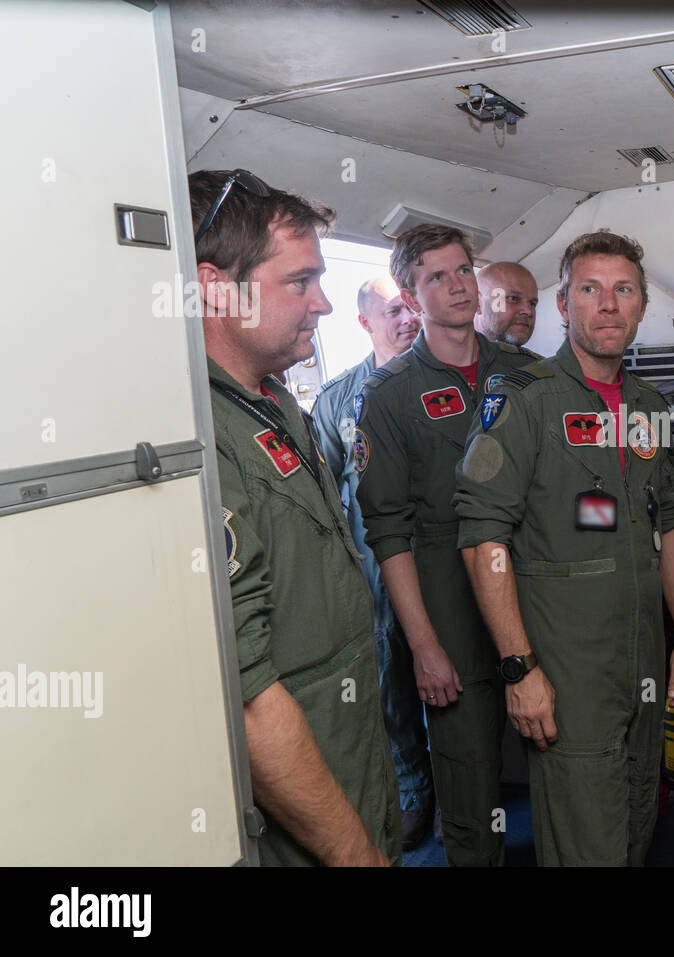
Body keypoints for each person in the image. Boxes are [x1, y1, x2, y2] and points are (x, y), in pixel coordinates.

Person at [455, 230, 674, 866]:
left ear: (642, 306)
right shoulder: (524, 401)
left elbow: (670, 522)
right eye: (590, 290)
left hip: (644, 659)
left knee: (636, 820)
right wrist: (518, 667)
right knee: (583, 844)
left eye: (624, 291)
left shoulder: (649, 407)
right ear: (564, 306)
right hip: (567, 674)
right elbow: (483, 534)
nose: (609, 305)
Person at [190, 168, 400, 866]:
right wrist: (353, 853)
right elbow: (245, 693)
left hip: (352, 764)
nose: (326, 304)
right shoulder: (199, 434)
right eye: (300, 282)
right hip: (304, 827)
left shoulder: (278, 405)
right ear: (217, 285)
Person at [353, 225, 537, 866]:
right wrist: (424, 648)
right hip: (447, 610)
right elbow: (388, 534)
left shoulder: (526, 376)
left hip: (531, 589)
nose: (457, 286)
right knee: (469, 782)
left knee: (563, 761)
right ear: (410, 293)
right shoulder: (390, 396)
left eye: (463, 271)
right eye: (437, 276)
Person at [313, 276, 435, 850]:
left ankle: (467, 795)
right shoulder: (339, 399)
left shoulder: (447, 383)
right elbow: (322, 495)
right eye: (394, 310)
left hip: (444, 564)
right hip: (378, 574)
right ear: (365, 322)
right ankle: (412, 790)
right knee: (391, 684)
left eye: (412, 307)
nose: (408, 318)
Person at [474, 260, 540, 348]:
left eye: (532, 303)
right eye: (513, 298)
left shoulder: (537, 361)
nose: (529, 311)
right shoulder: (450, 357)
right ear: (478, 303)